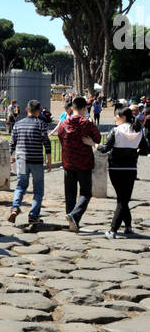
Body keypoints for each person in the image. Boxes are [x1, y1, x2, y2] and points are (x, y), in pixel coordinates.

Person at [98, 103, 146, 238]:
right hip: (131, 168)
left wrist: (94, 145)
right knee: (123, 199)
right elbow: (146, 149)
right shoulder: (138, 130)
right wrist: (134, 151)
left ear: (123, 117)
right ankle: (128, 226)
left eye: (116, 116)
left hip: (116, 168)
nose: (114, 118)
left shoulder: (116, 130)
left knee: (122, 200)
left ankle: (113, 230)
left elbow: (105, 148)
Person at [57, 95, 101, 231]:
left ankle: (72, 219)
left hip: (68, 163)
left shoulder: (64, 123)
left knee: (70, 193)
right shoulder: (87, 124)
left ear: (72, 108)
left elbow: (59, 137)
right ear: (84, 108)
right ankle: (74, 216)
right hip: (84, 163)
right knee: (86, 193)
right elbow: (98, 138)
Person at [7, 100, 52, 228]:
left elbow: (12, 143)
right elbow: (47, 143)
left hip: (21, 160)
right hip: (37, 161)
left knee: (20, 186)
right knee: (38, 189)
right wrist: (49, 160)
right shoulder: (41, 125)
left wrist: (12, 157)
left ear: (27, 110)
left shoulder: (18, 124)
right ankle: (33, 215)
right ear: (38, 111)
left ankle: (15, 208)